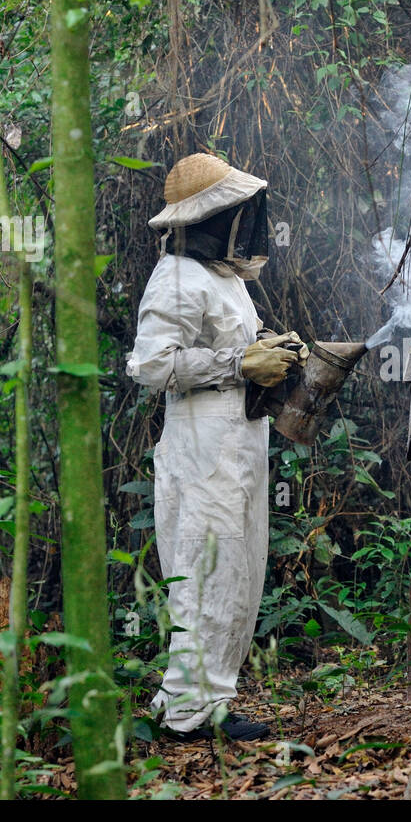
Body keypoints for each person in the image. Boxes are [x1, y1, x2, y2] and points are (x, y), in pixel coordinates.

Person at [127, 152, 304, 740]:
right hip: (201, 448)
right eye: (239, 212)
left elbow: (237, 350)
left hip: (240, 443)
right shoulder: (176, 277)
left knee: (238, 574)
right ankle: (186, 714)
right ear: (215, 217)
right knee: (204, 575)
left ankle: (210, 704)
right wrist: (238, 361)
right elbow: (149, 363)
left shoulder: (224, 279)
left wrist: (272, 348)